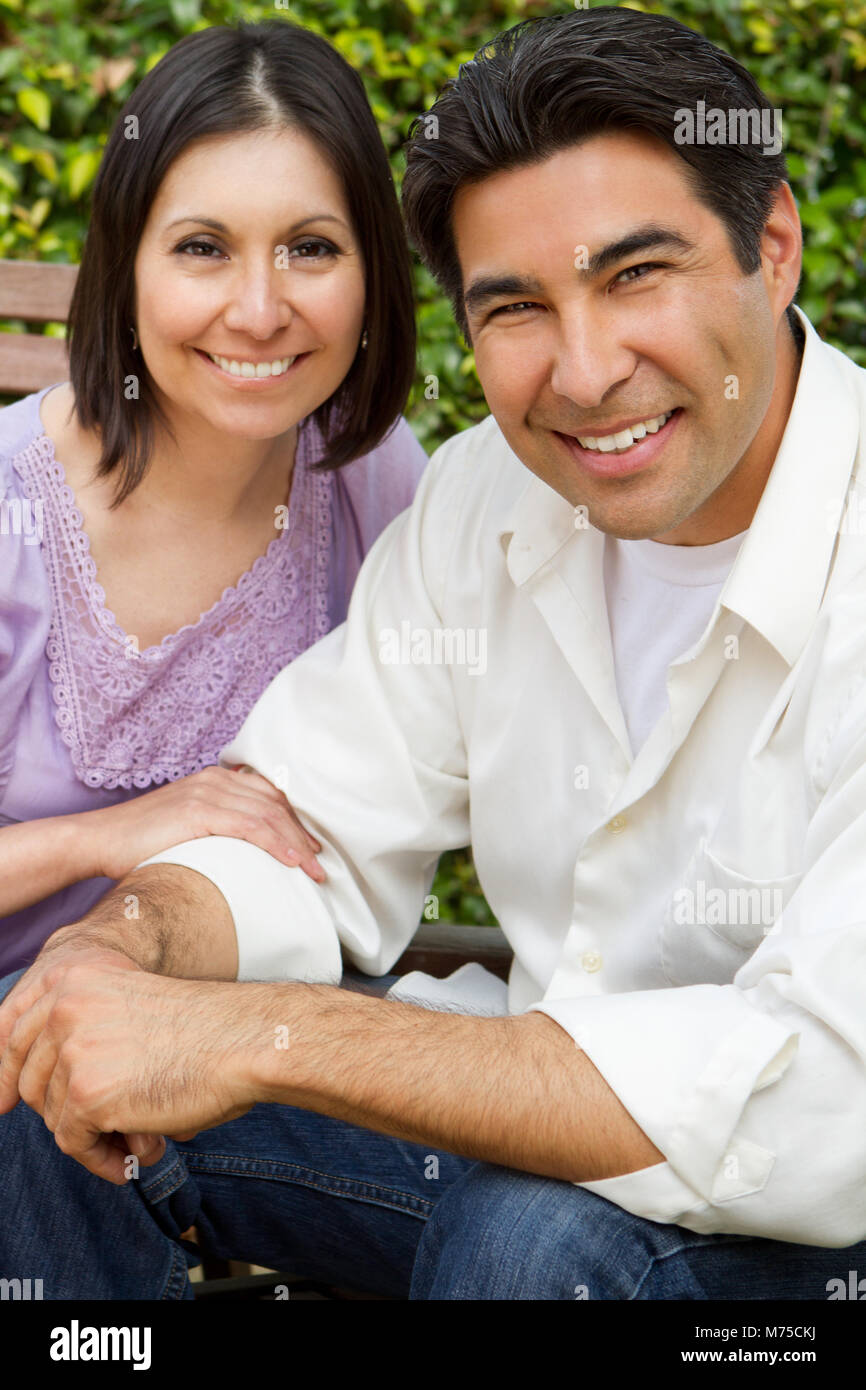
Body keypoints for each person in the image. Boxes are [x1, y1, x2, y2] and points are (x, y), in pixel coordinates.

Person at [1, 6, 865, 1301]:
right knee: (54, 1069)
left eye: (636, 274)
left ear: (774, 244)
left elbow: (815, 1099)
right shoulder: (483, 501)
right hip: (515, 1135)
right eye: (515, 304)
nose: (583, 372)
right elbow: (312, 830)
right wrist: (119, 948)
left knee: (530, 1242)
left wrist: (269, 1034)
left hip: (804, 1214)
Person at [0, 20, 427, 977]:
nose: (260, 309)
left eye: (310, 248)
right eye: (203, 247)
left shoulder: (377, 480)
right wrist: (114, 834)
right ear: (127, 266)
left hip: (224, 1047)